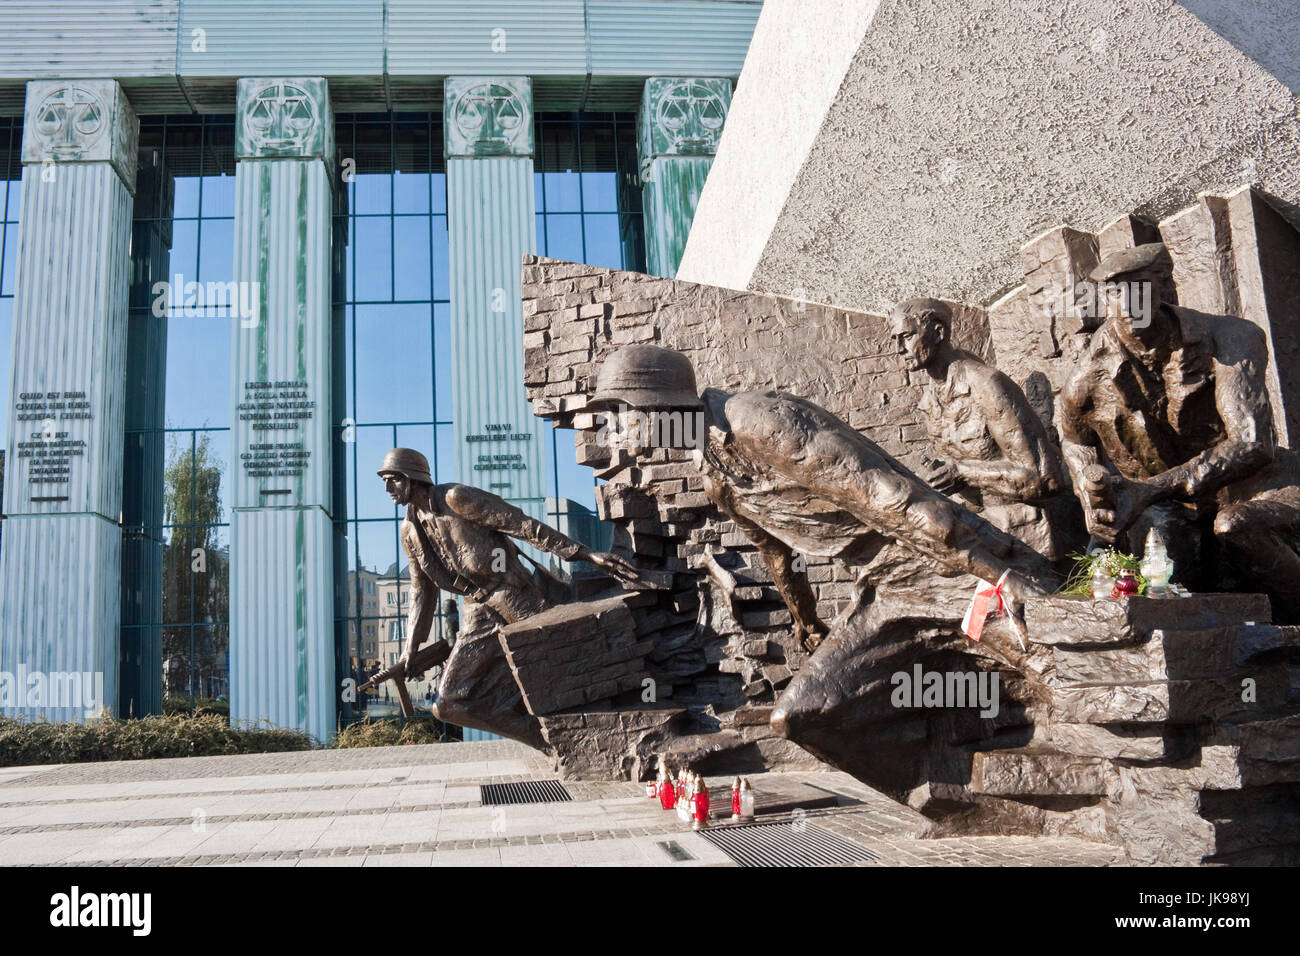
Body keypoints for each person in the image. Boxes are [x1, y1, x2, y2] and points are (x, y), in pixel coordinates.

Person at [1059, 243, 1300, 617]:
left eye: (1139, 288)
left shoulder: (1231, 338)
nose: (1128, 304)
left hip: (1262, 490)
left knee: (1234, 525)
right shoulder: (1087, 378)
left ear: (1166, 291)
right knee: (1165, 570)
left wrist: (1149, 489)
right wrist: (1089, 492)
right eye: (1115, 293)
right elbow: (1075, 442)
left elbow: (1253, 444)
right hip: (1171, 510)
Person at [375, 447, 641, 747]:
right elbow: (421, 589)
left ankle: (613, 724)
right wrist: (410, 648)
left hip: (516, 596)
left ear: (414, 478)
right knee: (447, 703)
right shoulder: (409, 530)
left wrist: (583, 553)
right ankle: (548, 741)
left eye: (393, 479)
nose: (387, 488)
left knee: (563, 670)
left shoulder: (455, 498)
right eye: (384, 480)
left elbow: (521, 524)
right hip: (476, 610)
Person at [889, 297, 1074, 561]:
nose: (899, 349)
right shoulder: (928, 403)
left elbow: (1044, 479)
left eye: (906, 336)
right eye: (894, 339)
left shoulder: (988, 384)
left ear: (939, 332)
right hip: (980, 538)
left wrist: (962, 473)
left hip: (1029, 540)